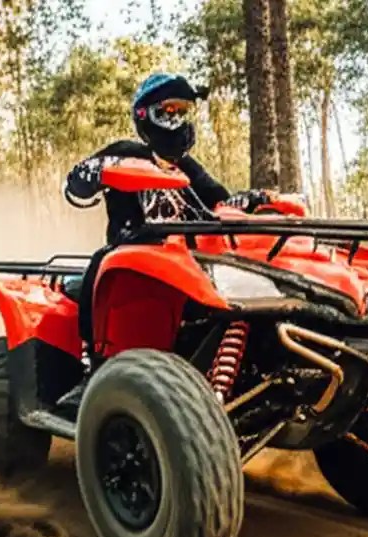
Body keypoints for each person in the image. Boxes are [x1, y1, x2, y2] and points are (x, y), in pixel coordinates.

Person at [61, 72, 270, 393]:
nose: (176, 121)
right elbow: (75, 189)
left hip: (185, 257)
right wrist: (88, 173)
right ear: (146, 116)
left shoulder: (188, 166)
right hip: (129, 251)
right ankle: (91, 361)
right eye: (167, 112)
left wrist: (251, 200)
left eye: (181, 112)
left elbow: (221, 201)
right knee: (99, 263)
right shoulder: (125, 152)